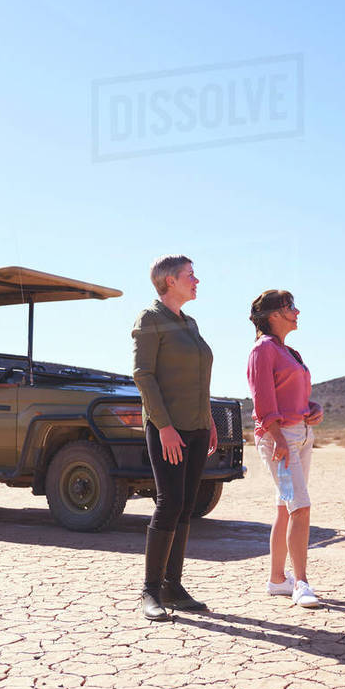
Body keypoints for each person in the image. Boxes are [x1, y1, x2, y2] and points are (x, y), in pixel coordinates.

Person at [131, 255, 218, 621]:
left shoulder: (191, 323)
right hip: (168, 428)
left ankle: (174, 586)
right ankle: (149, 591)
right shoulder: (150, 319)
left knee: (185, 504)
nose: (196, 280)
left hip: (197, 426)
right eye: (190, 275)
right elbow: (143, 375)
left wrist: (209, 418)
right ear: (169, 281)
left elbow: (198, 376)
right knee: (168, 503)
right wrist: (164, 426)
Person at [246, 290, 324, 609]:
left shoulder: (289, 351)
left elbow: (294, 396)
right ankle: (301, 583)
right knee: (300, 507)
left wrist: (312, 407)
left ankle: (278, 580)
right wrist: (278, 437)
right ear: (273, 315)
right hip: (281, 440)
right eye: (290, 307)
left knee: (285, 507)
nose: (296, 312)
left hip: (301, 435)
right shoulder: (262, 350)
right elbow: (262, 397)